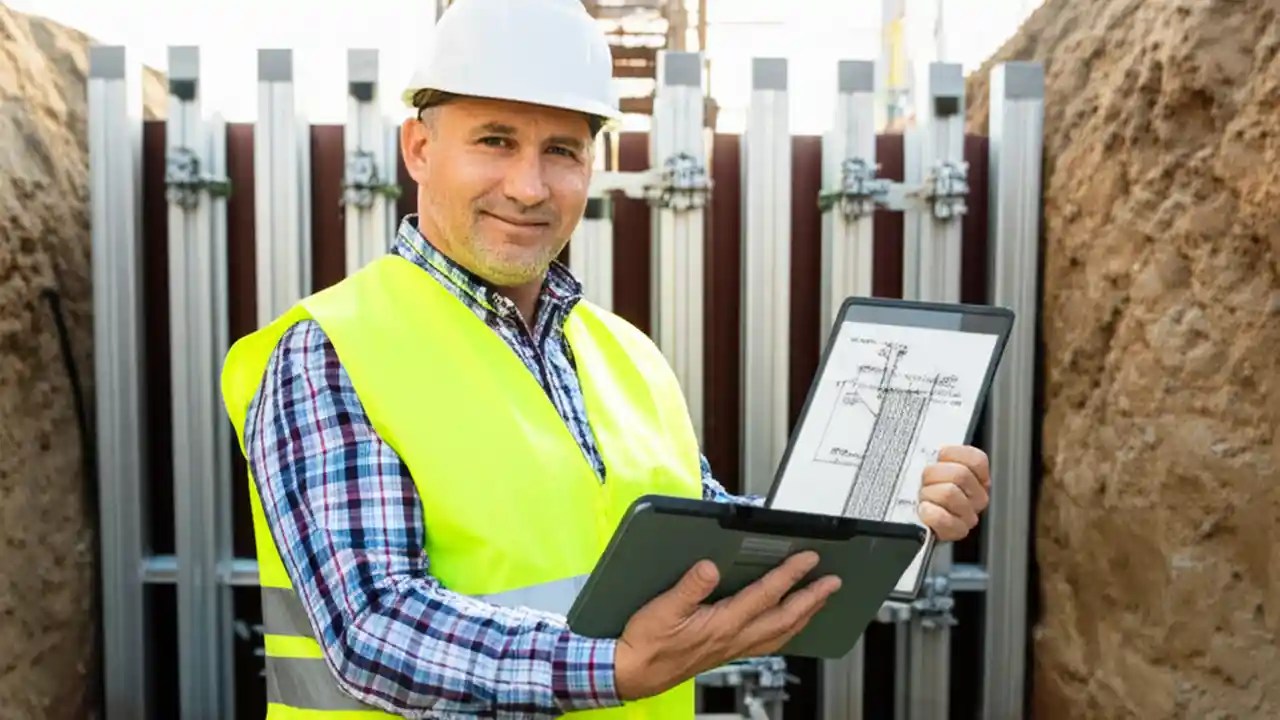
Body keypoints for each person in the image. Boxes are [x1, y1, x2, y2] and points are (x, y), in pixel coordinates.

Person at [219, 0, 993, 717]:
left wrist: (889, 515)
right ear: (419, 148)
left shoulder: (628, 354)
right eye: (495, 141)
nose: (528, 186)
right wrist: (612, 666)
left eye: (561, 150)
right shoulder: (330, 346)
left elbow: (716, 552)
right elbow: (373, 625)